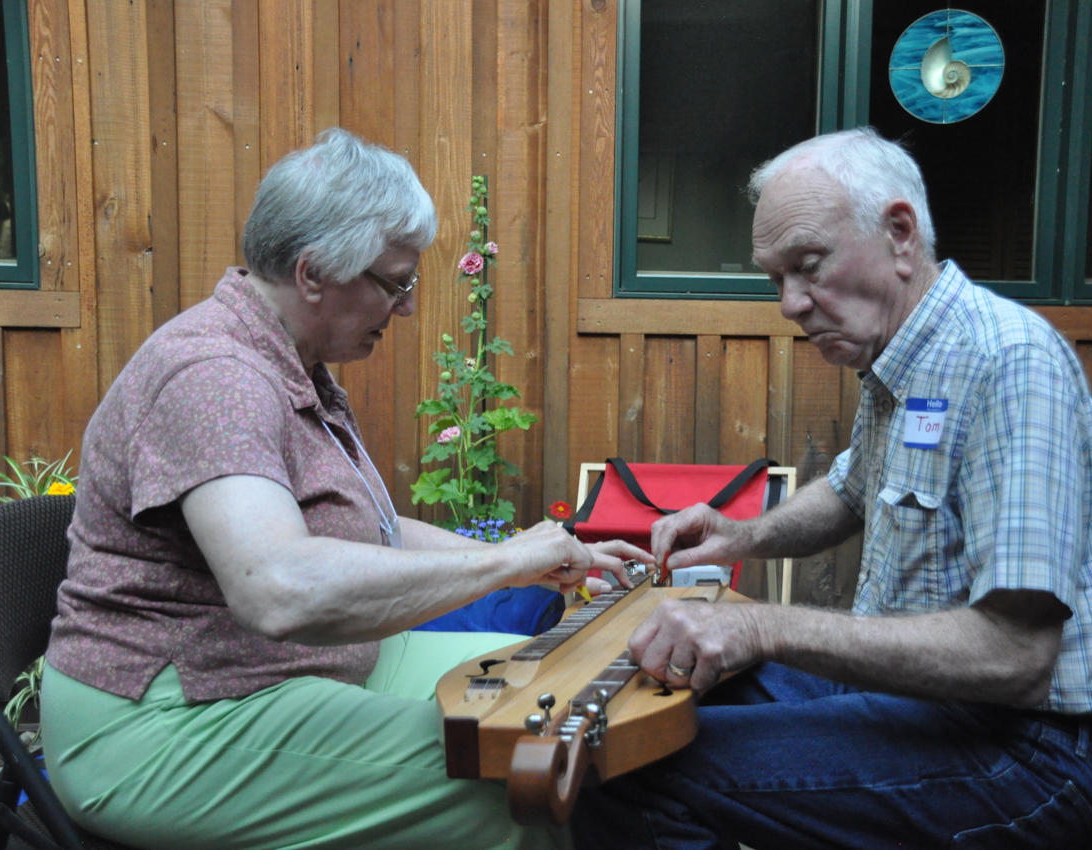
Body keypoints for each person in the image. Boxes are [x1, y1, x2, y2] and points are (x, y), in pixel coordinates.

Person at [41, 128, 648, 850]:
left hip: (301, 669)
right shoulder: (213, 378)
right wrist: (501, 564)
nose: (410, 309)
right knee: (519, 779)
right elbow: (279, 588)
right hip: (166, 720)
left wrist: (534, 555)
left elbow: (375, 532)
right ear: (313, 273)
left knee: (565, 685)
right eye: (397, 283)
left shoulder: (293, 364)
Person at [571, 127, 1092, 849]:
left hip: (1026, 752)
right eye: (777, 279)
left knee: (629, 769)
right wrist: (746, 535)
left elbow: (1015, 660)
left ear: (900, 234)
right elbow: (849, 492)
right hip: (912, 704)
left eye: (807, 266)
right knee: (650, 707)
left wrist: (761, 626)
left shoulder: (1007, 364)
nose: (790, 304)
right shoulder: (901, 358)